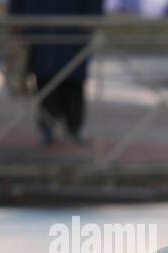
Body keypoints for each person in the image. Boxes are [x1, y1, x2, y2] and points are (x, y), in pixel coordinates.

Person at [7, 0, 105, 145]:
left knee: (73, 79)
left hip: (72, 28)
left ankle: (74, 127)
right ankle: (47, 127)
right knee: (44, 80)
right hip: (39, 28)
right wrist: (16, 19)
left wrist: (92, 17)